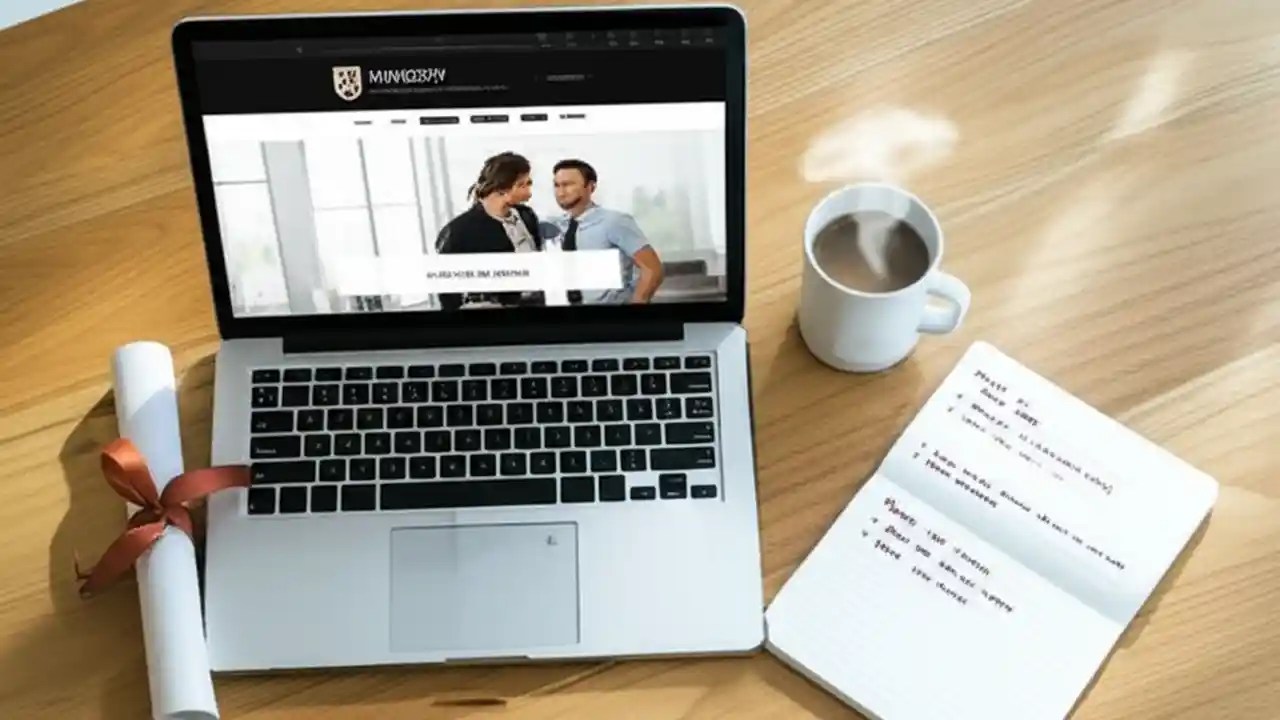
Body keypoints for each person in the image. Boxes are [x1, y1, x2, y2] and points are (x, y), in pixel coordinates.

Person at [434, 152, 545, 311]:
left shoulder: (527, 216)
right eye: (522, 185)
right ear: (502, 188)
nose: (529, 192)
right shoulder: (459, 230)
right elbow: (446, 287)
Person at [550, 159, 664, 304]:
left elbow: (652, 269)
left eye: (568, 184)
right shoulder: (556, 226)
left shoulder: (615, 221)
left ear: (590, 187)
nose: (561, 192)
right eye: (557, 185)